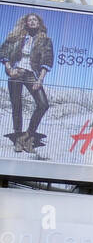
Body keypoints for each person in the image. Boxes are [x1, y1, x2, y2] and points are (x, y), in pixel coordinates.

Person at [2, 11, 52, 154]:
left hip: (31, 75)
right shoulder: (15, 37)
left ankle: (28, 136)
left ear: (39, 23)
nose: (32, 21)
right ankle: (18, 137)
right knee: (16, 105)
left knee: (43, 104)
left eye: (35, 20)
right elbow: (4, 51)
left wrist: (40, 79)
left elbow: (47, 60)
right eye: (29, 20)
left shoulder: (45, 41)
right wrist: (9, 68)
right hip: (16, 72)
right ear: (25, 22)